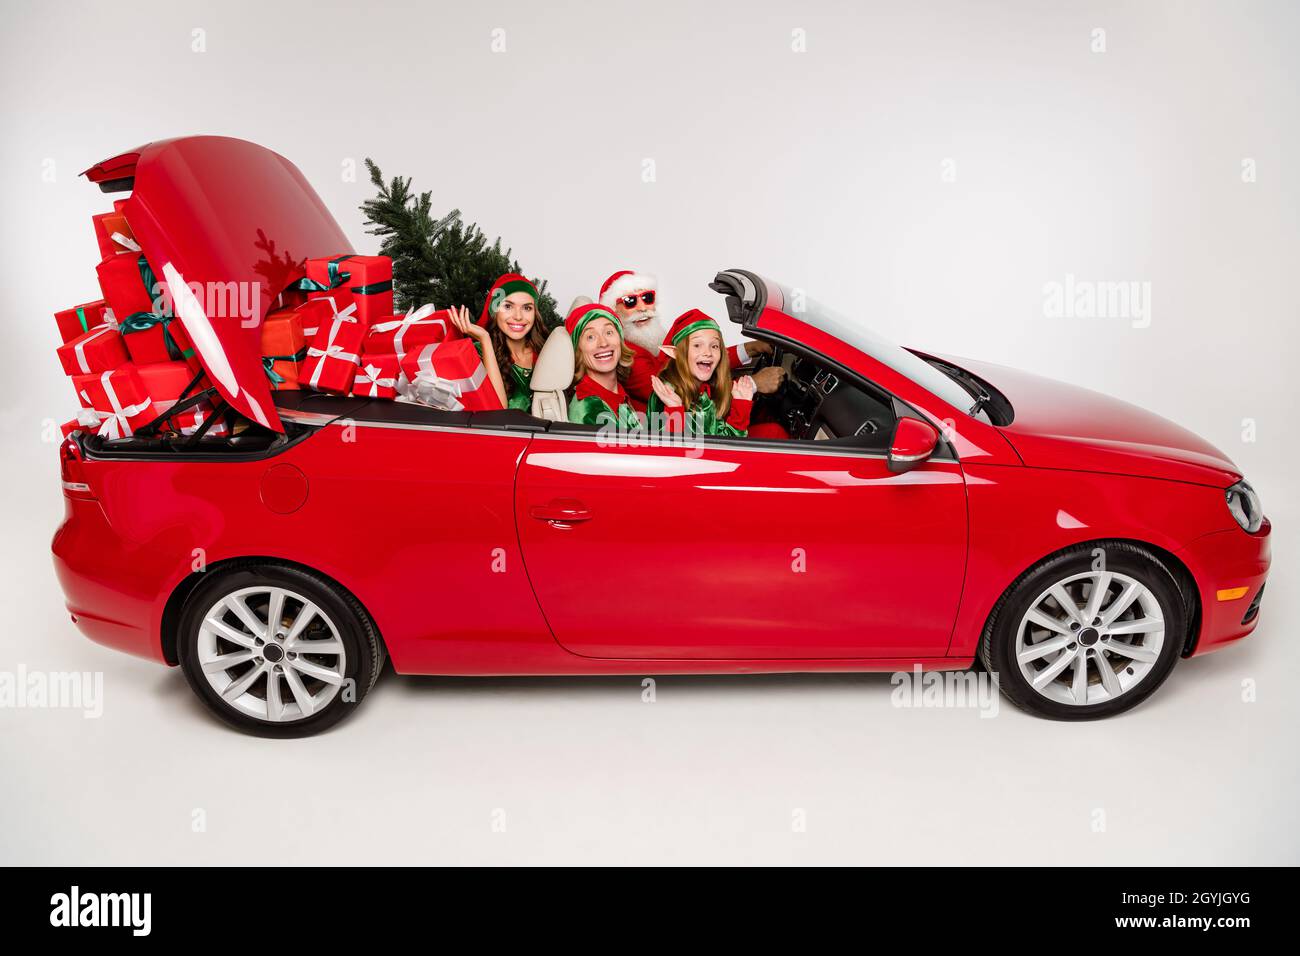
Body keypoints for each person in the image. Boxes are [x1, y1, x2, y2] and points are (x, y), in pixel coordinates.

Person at [597, 269, 785, 410]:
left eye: (647, 297)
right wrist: (752, 385)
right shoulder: (628, 356)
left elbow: (697, 358)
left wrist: (750, 348)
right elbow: (681, 394)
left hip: (690, 424)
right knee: (774, 434)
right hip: (670, 430)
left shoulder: (647, 340)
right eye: (630, 301)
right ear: (613, 310)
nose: (642, 308)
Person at [646, 310, 756, 437]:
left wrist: (740, 406)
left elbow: (723, 446)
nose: (708, 352)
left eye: (714, 346)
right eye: (697, 345)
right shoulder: (666, 393)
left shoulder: (706, 393)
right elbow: (664, 451)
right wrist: (674, 410)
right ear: (676, 353)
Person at [475, 273, 548, 410]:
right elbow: (496, 411)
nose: (518, 317)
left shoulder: (547, 351)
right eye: (508, 307)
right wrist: (485, 340)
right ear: (494, 311)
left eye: (527, 308)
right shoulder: (477, 353)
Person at [565, 302, 640, 430]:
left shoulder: (616, 394)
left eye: (609, 332)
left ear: (620, 340)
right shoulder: (589, 407)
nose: (603, 343)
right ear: (578, 350)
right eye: (590, 337)